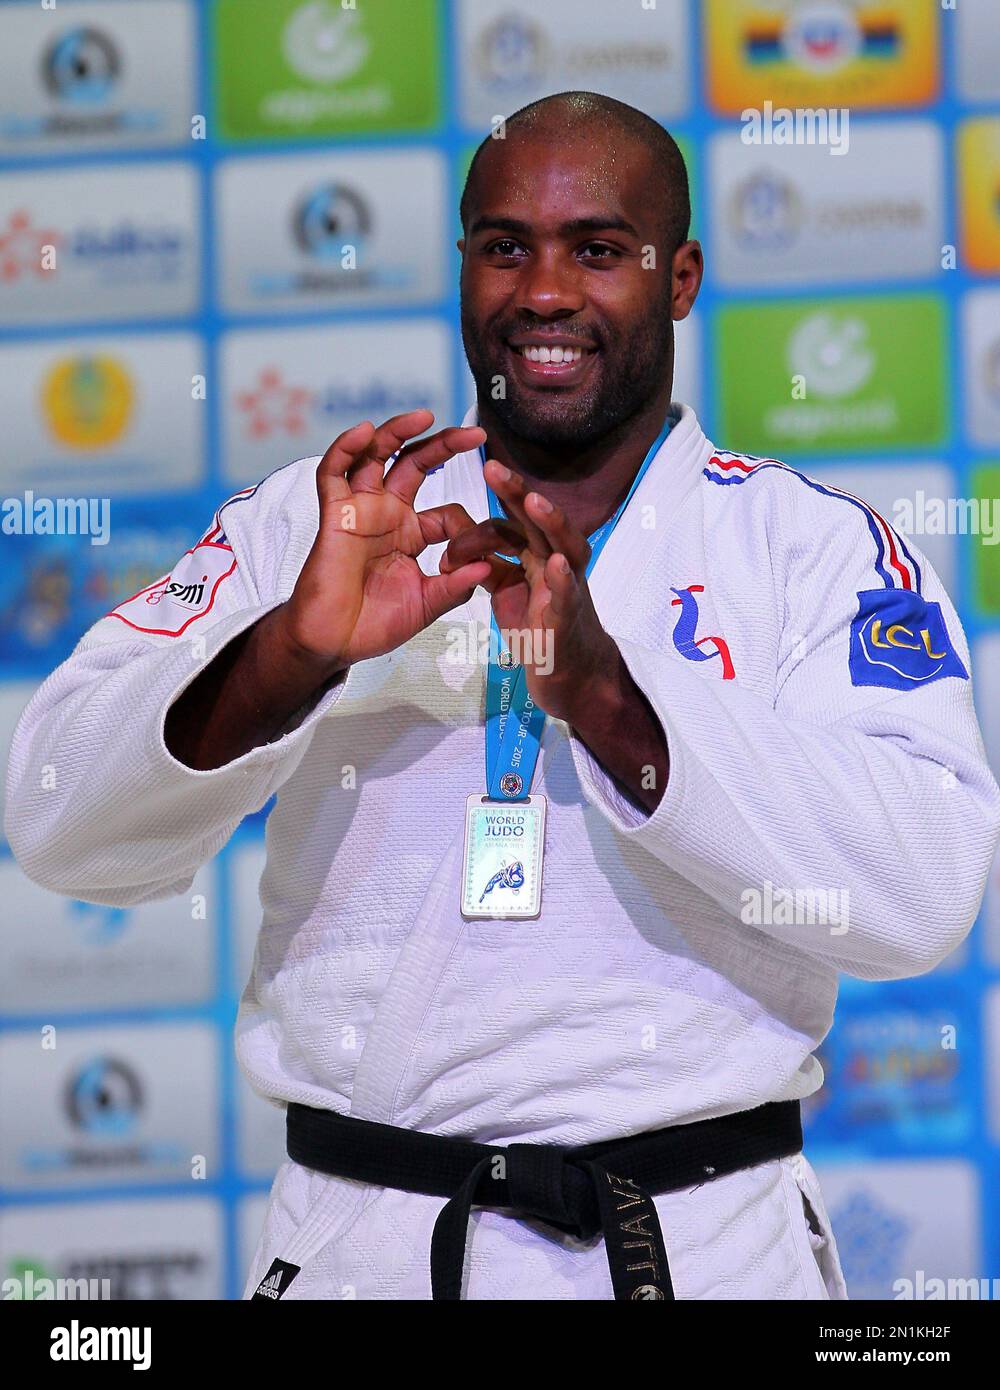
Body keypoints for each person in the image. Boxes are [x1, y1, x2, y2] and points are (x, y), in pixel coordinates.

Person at [6, 92, 999, 1302]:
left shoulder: (808, 548)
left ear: (678, 276)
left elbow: (924, 892)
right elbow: (55, 820)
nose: (541, 291)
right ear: (463, 265)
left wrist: (612, 702)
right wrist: (293, 654)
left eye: (596, 249)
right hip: (368, 1247)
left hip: (704, 1250)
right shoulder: (327, 522)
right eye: (503, 246)